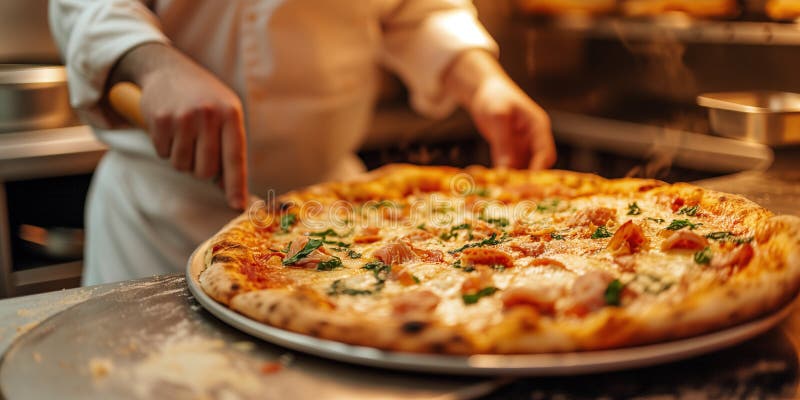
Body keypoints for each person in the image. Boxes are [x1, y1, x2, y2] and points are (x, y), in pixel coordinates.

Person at [49, 0, 556, 285]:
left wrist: (481, 81)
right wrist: (152, 61)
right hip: (162, 217)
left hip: (342, 220)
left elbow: (417, 10)